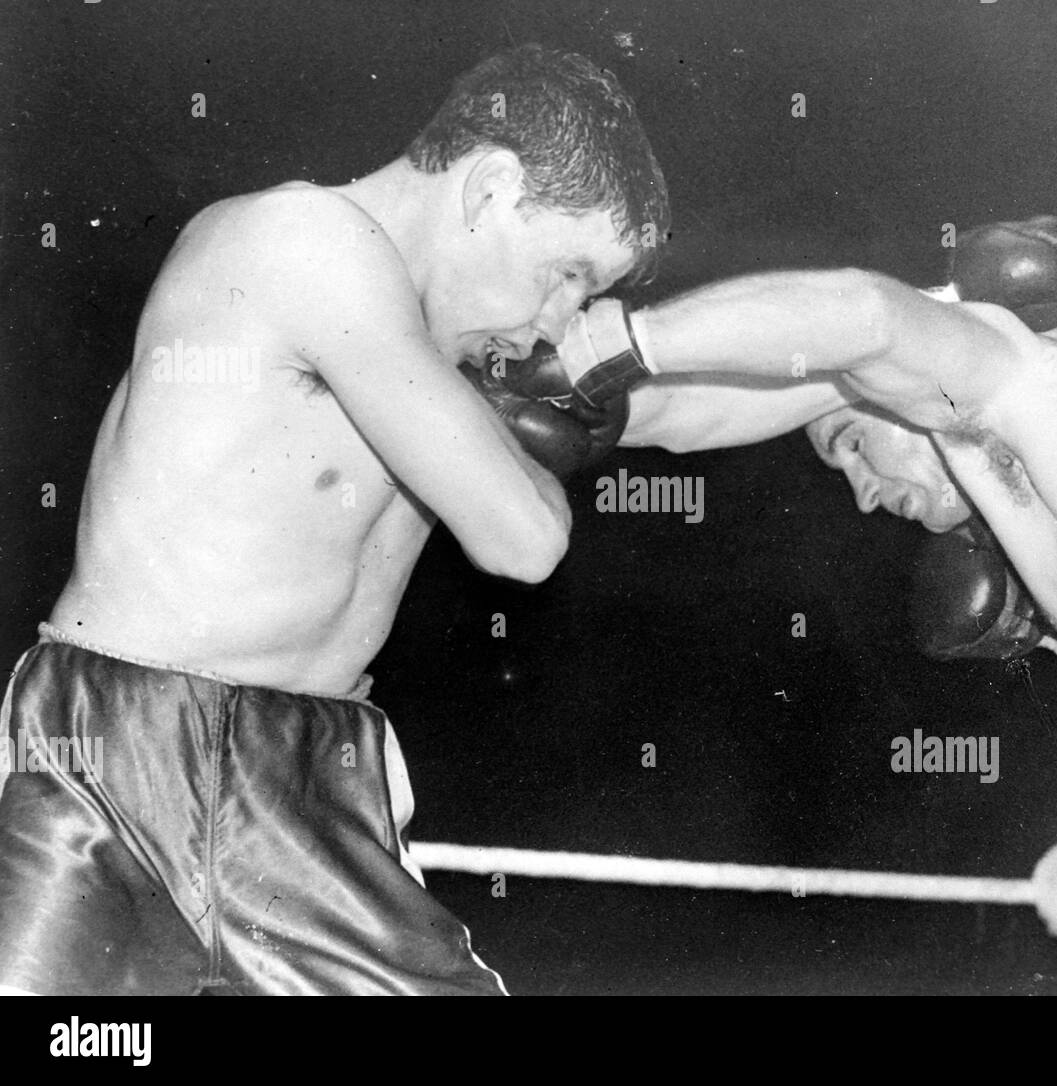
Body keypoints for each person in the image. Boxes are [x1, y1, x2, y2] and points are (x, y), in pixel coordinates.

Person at [0, 44, 669, 995]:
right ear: (490, 190)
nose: (561, 324)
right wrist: (533, 433)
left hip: (310, 785)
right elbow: (524, 540)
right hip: (110, 761)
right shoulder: (303, 240)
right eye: (567, 273)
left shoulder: (432, 354)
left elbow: (689, 402)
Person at [548, 226, 1057, 993]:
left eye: (848, 445)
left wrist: (615, 341)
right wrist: (571, 401)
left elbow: (869, 315)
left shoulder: (1040, 390)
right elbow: (730, 406)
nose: (865, 495)